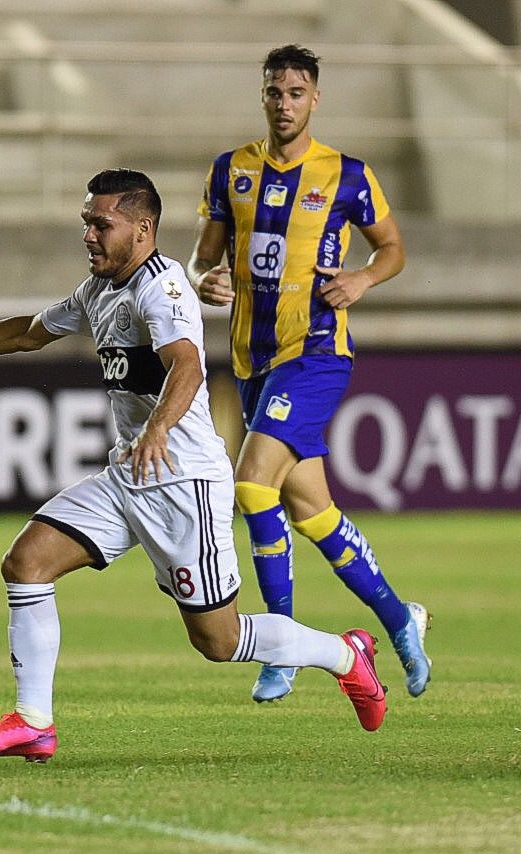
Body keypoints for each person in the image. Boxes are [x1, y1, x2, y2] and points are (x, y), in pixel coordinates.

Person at [0, 168, 388, 763]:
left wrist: (156, 429)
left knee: (220, 642)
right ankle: (32, 722)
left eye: (102, 224)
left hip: (184, 483)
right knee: (26, 563)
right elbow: (27, 334)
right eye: (86, 224)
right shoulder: (99, 289)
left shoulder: (163, 286)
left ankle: (345, 655)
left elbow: (187, 366)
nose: (90, 235)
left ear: (143, 229)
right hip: (129, 476)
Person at [187, 44, 431, 704]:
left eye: (296, 93)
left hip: (317, 352)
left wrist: (362, 278)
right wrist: (204, 280)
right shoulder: (229, 170)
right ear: (262, 96)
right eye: (274, 92)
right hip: (251, 360)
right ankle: (401, 621)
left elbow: (393, 249)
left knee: (250, 483)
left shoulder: (347, 174)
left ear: (314, 99)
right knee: (313, 512)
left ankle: (284, 649)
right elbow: (202, 257)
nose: (284, 103)